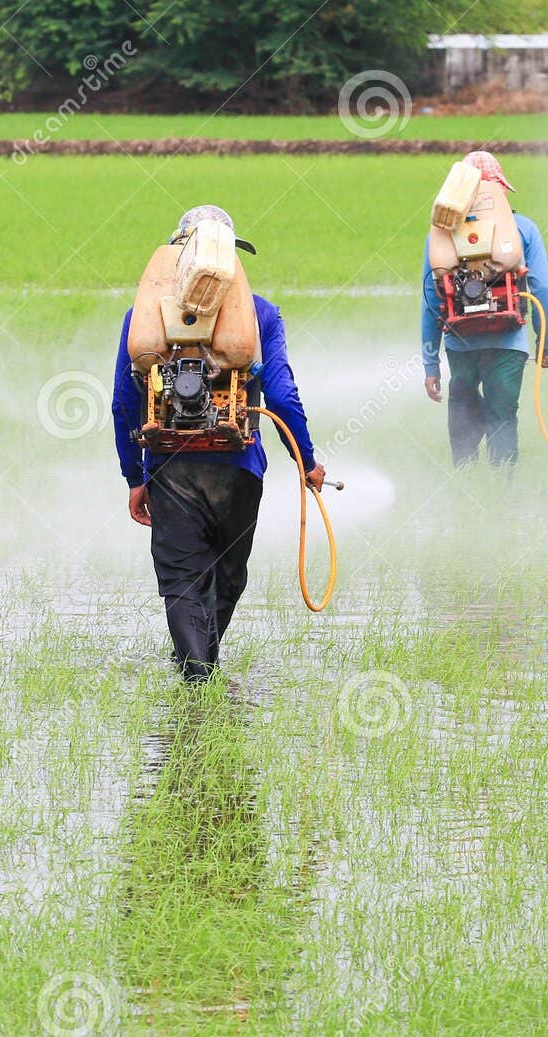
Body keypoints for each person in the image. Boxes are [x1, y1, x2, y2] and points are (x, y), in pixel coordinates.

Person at [112, 205, 324, 684]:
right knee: (228, 577)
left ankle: (196, 676)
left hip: (170, 468)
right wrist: (305, 460)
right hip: (238, 471)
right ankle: (201, 677)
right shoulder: (261, 314)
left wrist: (134, 476)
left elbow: (125, 402)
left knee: (183, 580)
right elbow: (283, 395)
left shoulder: (144, 319)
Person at [422, 150, 548, 469]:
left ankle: (465, 479)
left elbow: (430, 298)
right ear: (498, 189)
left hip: (460, 342)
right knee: (503, 415)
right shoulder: (524, 228)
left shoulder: (439, 237)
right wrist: (544, 345)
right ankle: (501, 488)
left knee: (463, 408)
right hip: (508, 341)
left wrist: (430, 364)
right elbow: (544, 289)